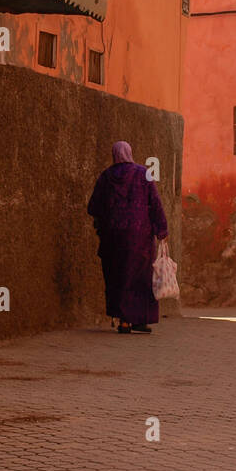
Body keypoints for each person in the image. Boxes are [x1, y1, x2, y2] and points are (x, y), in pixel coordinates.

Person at [87, 141, 168, 334]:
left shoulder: (106, 177)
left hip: (113, 237)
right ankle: (138, 320)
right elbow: (155, 203)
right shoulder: (143, 174)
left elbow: (93, 207)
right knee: (139, 277)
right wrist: (161, 230)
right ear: (130, 153)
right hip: (139, 237)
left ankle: (124, 321)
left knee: (118, 276)